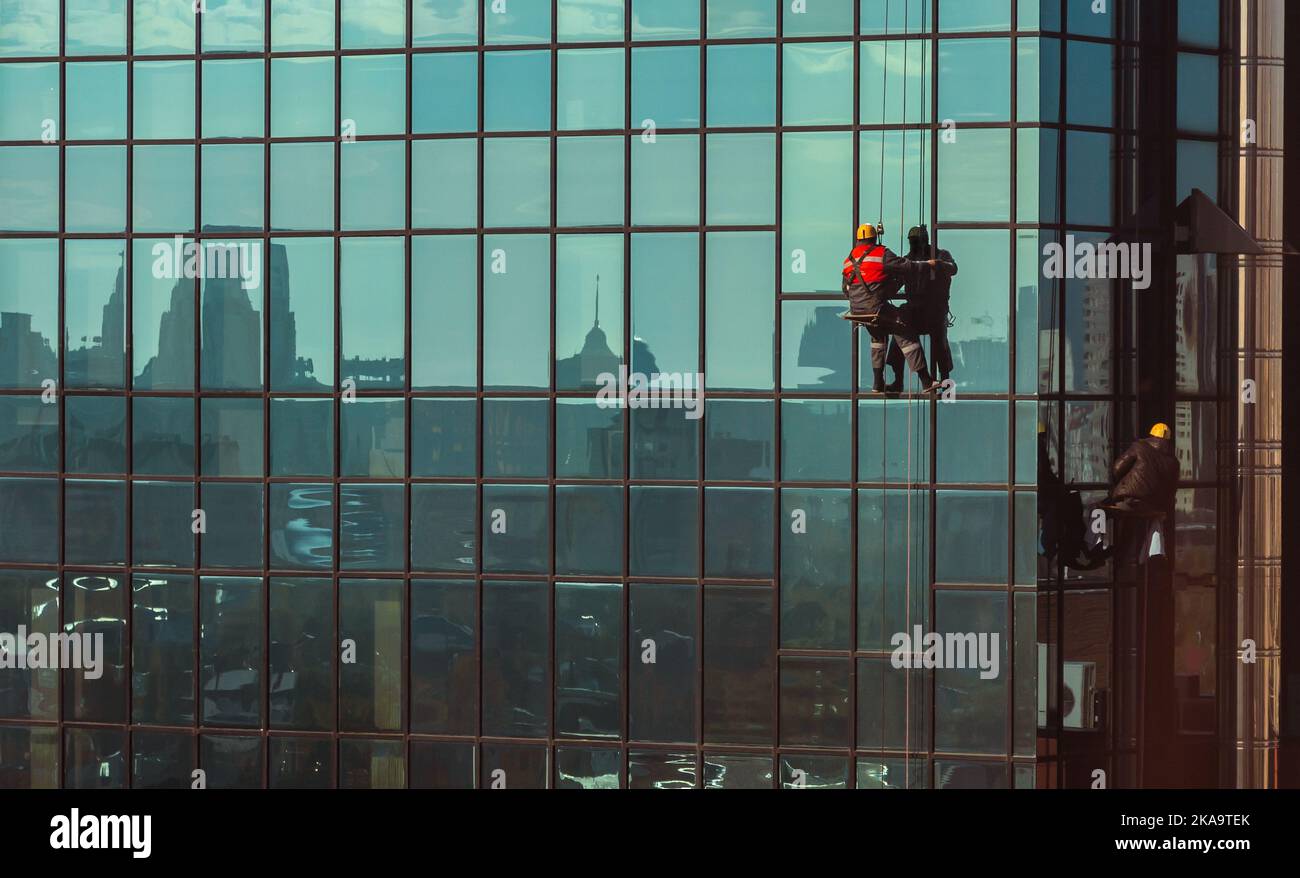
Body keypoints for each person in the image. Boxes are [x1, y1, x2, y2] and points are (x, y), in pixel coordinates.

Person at [842, 223, 941, 394]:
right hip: (875, 308)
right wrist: (929, 264)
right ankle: (926, 381)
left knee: (878, 338)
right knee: (904, 330)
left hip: (858, 311)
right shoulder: (881, 253)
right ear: (874, 238)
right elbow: (907, 266)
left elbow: (846, 289)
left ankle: (877, 384)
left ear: (859, 239)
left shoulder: (849, 259)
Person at [887, 225, 959, 385]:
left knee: (940, 341)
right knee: (899, 330)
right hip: (915, 311)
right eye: (912, 242)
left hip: (935, 311)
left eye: (916, 242)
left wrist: (936, 264)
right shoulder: (908, 261)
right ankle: (898, 378)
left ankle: (946, 379)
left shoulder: (941, 255)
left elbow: (953, 269)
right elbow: (895, 284)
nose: (914, 246)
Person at [1106, 423, 1180, 513]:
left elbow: (1117, 469)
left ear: (1151, 435)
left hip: (1131, 501)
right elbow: (1173, 488)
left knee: (1102, 509)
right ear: (1168, 439)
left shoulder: (1139, 447)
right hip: (1157, 507)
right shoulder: (1174, 461)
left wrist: (1121, 484)